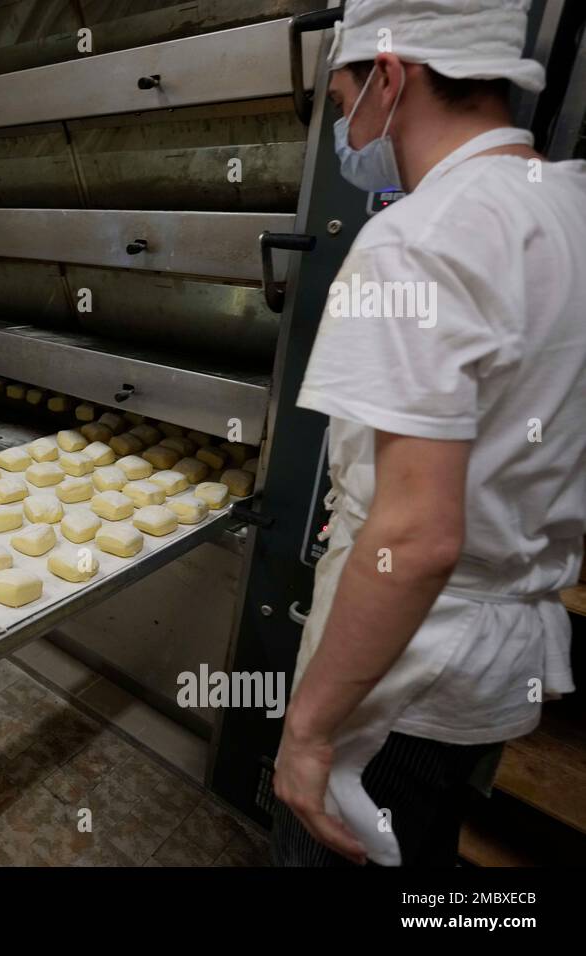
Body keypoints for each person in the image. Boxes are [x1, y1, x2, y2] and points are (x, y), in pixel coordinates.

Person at [271, 0, 585, 866]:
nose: (346, 129)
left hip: (403, 676)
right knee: (425, 854)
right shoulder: (568, 206)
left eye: (341, 103)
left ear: (390, 74)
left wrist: (307, 733)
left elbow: (413, 539)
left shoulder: (415, 242)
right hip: (495, 665)